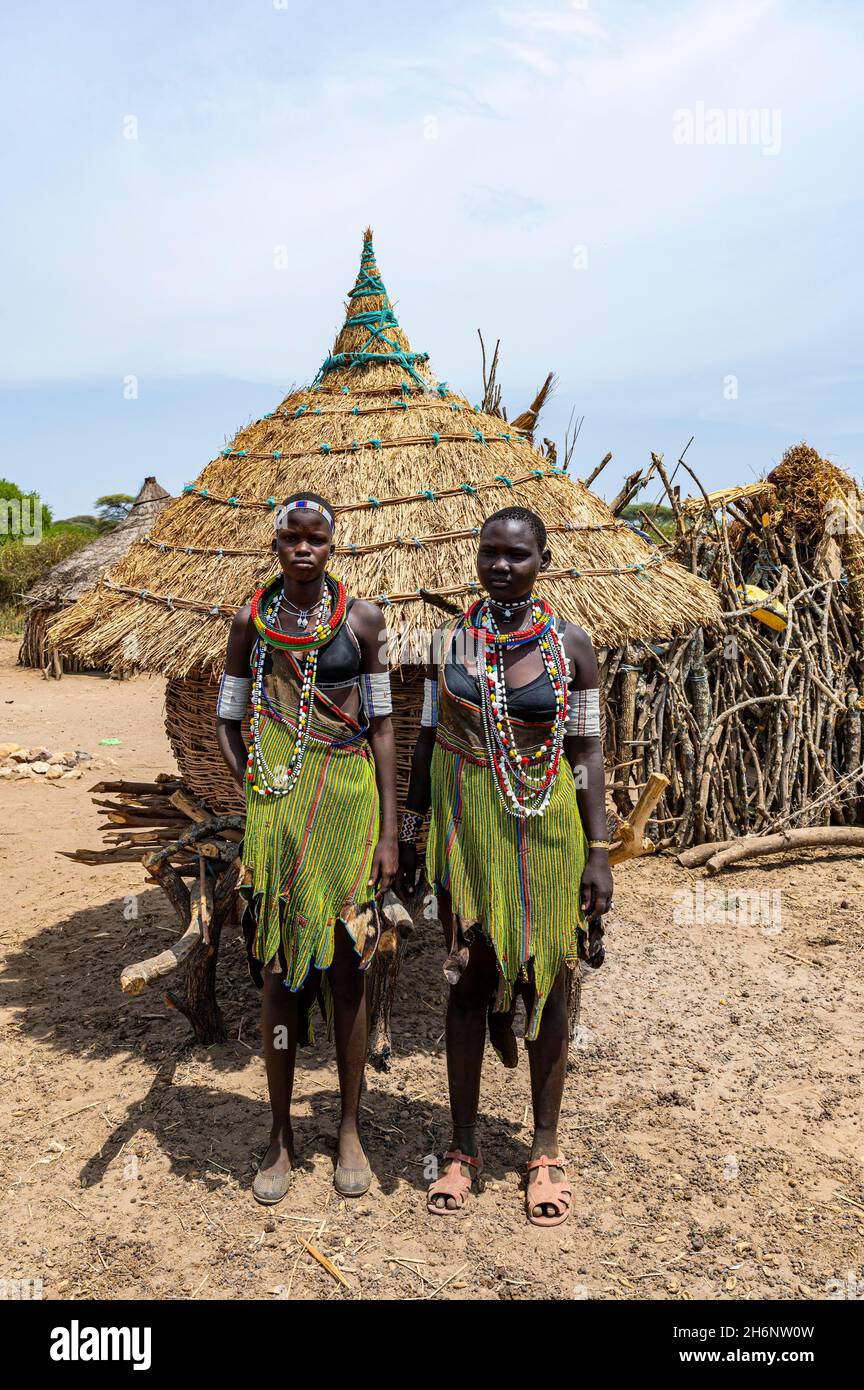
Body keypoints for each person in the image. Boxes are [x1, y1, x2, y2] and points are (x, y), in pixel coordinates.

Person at [397, 506, 613, 1227]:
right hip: (467, 835)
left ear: (543, 560)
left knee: (547, 979)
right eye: (490, 553)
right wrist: (411, 829)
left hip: (549, 831)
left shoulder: (572, 647)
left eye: (517, 555)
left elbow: (585, 755)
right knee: (469, 978)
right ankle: (462, 1150)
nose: (500, 566)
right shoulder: (449, 642)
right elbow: (428, 737)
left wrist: (600, 850)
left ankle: (544, 1151)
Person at [216, 491, 398, 1204]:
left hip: (350, 813)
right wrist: (259, 788)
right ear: (275, 545)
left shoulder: (363, 621)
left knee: (349, 967)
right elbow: (231, 722)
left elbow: (382, 726)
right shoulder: (250, 624)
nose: (302, 549)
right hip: (280, 819)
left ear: (333, 545)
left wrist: (388, 831)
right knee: (280, 974)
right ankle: (279, 1136)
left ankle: (349, 1126)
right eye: (290, 537)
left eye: (315, 538)